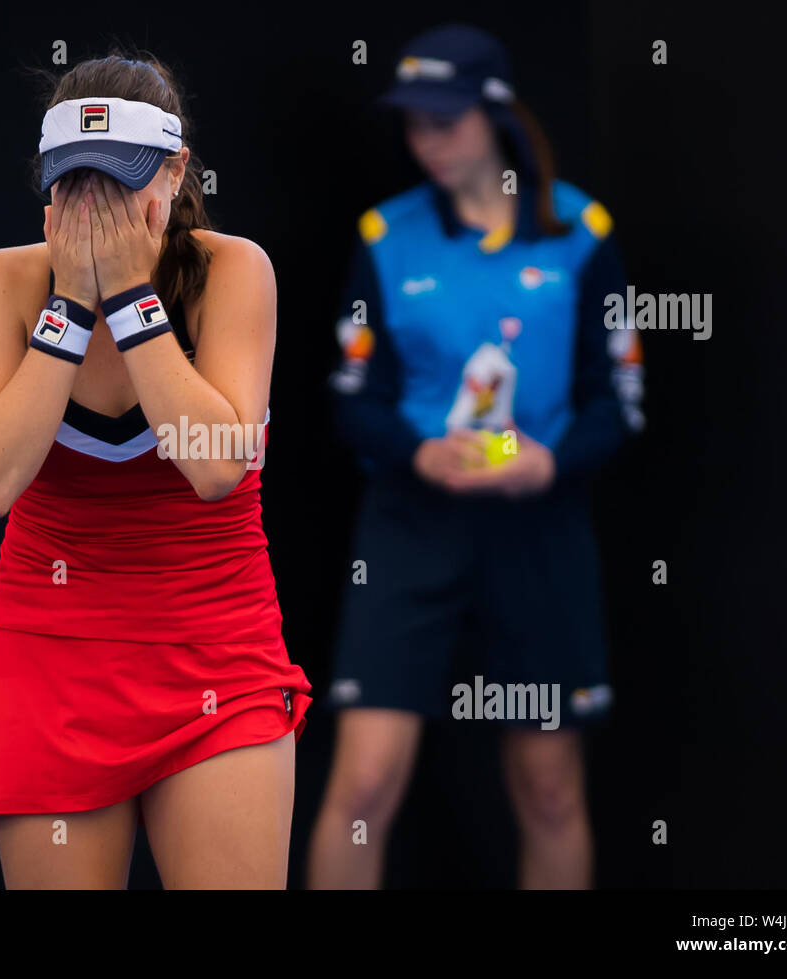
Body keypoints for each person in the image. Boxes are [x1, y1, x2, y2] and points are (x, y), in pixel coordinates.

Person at [0, 52, 312, 889]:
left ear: (176, 171)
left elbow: (216, 468)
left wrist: (134, 301)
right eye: (74, 185)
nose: (95, 211)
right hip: (54, 656)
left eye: (118, 185)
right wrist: (71, 310)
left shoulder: (234, 271)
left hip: (217, 649)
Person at [307, 24, 644, 889]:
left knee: (549, 789)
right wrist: (420, 454)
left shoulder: (580, 230)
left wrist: (545, 463)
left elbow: (619, 404)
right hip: (413, 522)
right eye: (413, 122)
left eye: (445, 120)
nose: (427, 139)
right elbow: (353, 398)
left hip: (538, 523)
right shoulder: (386, 235)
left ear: (495, 115)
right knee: (363, 783)